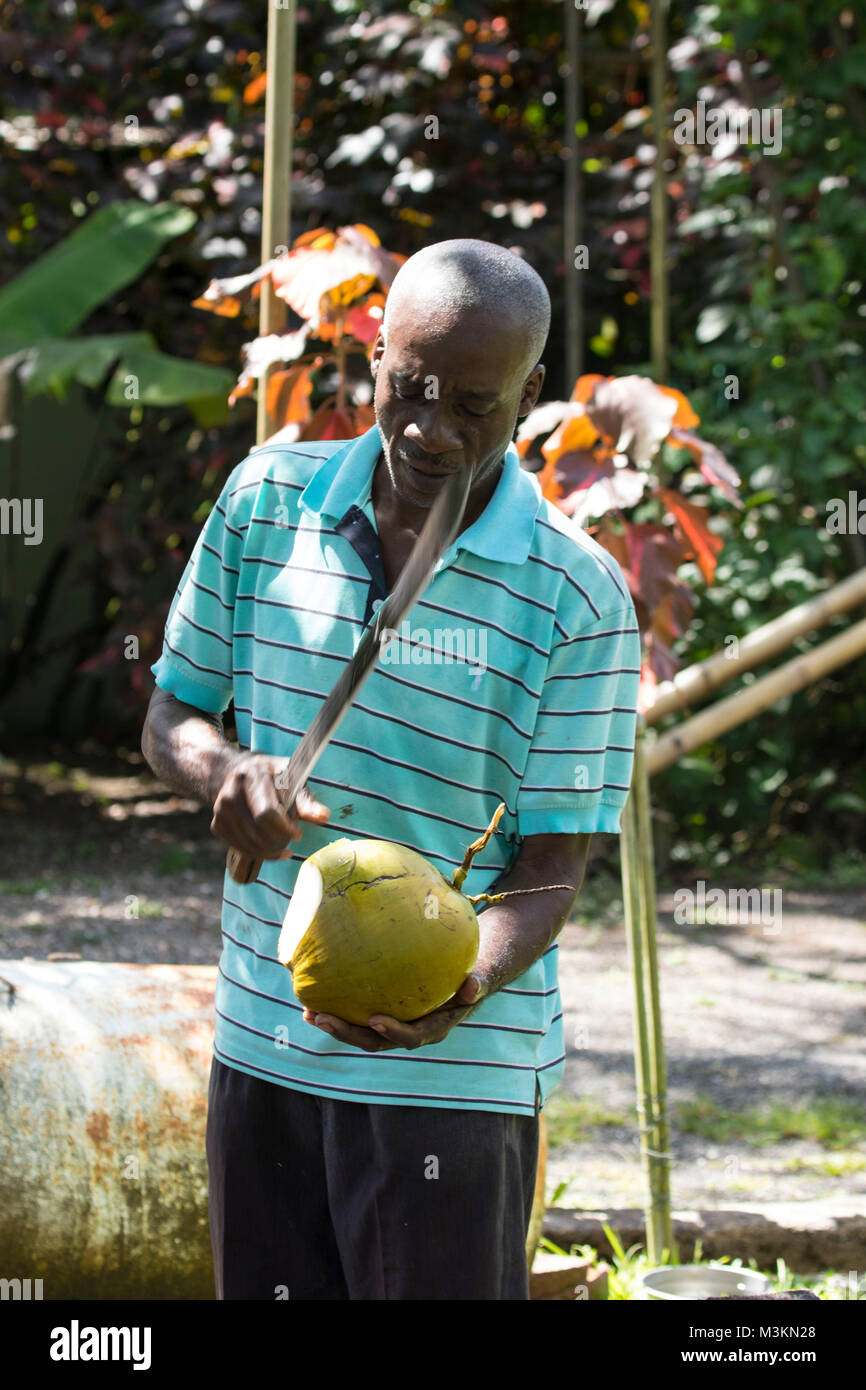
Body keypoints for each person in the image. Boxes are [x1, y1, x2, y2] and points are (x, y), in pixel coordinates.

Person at [141, 238, 641, 1300]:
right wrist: (222, 770)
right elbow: (171, 710)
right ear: (372, 353)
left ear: (528, 393)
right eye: (407, 388)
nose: (429, 428)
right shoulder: (263, 501)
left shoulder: (577, 596)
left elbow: (555, 856)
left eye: (472, 405)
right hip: (262, 1043)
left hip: (455, 1078)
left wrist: (457, 984)